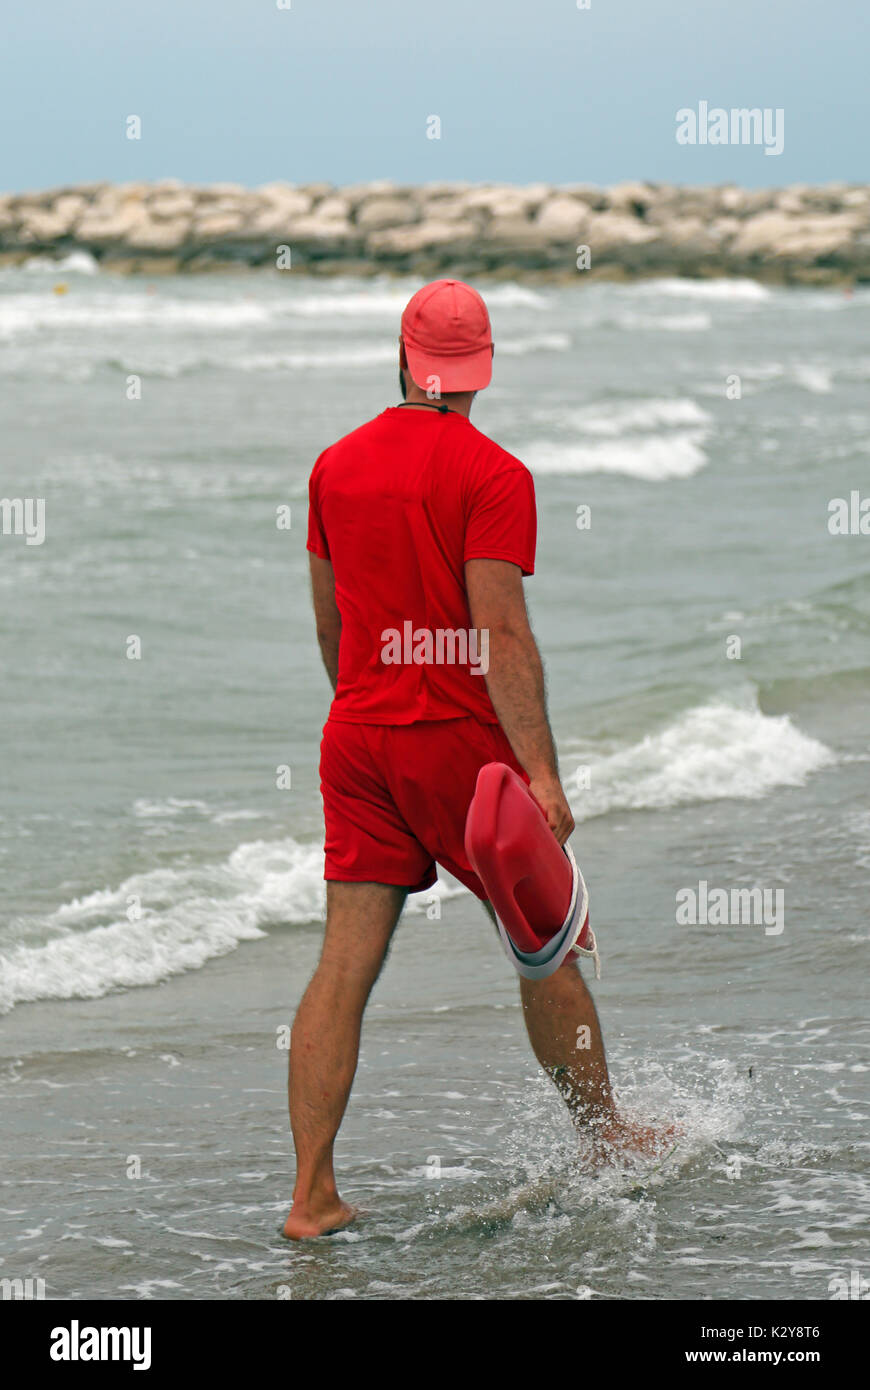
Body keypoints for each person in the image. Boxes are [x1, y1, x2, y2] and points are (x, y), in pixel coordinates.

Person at [284, 279, 668, 1240]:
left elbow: (331, 627)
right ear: (478, 372)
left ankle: (311, 1197)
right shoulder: (492, 474)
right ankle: (605, 1138)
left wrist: (365, 708)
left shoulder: (333, 467)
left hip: (357, 737)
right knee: (549, 947)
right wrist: (541, 773)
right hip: (459, 749)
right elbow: (500, 633)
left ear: (404, 358)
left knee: (343, 965)